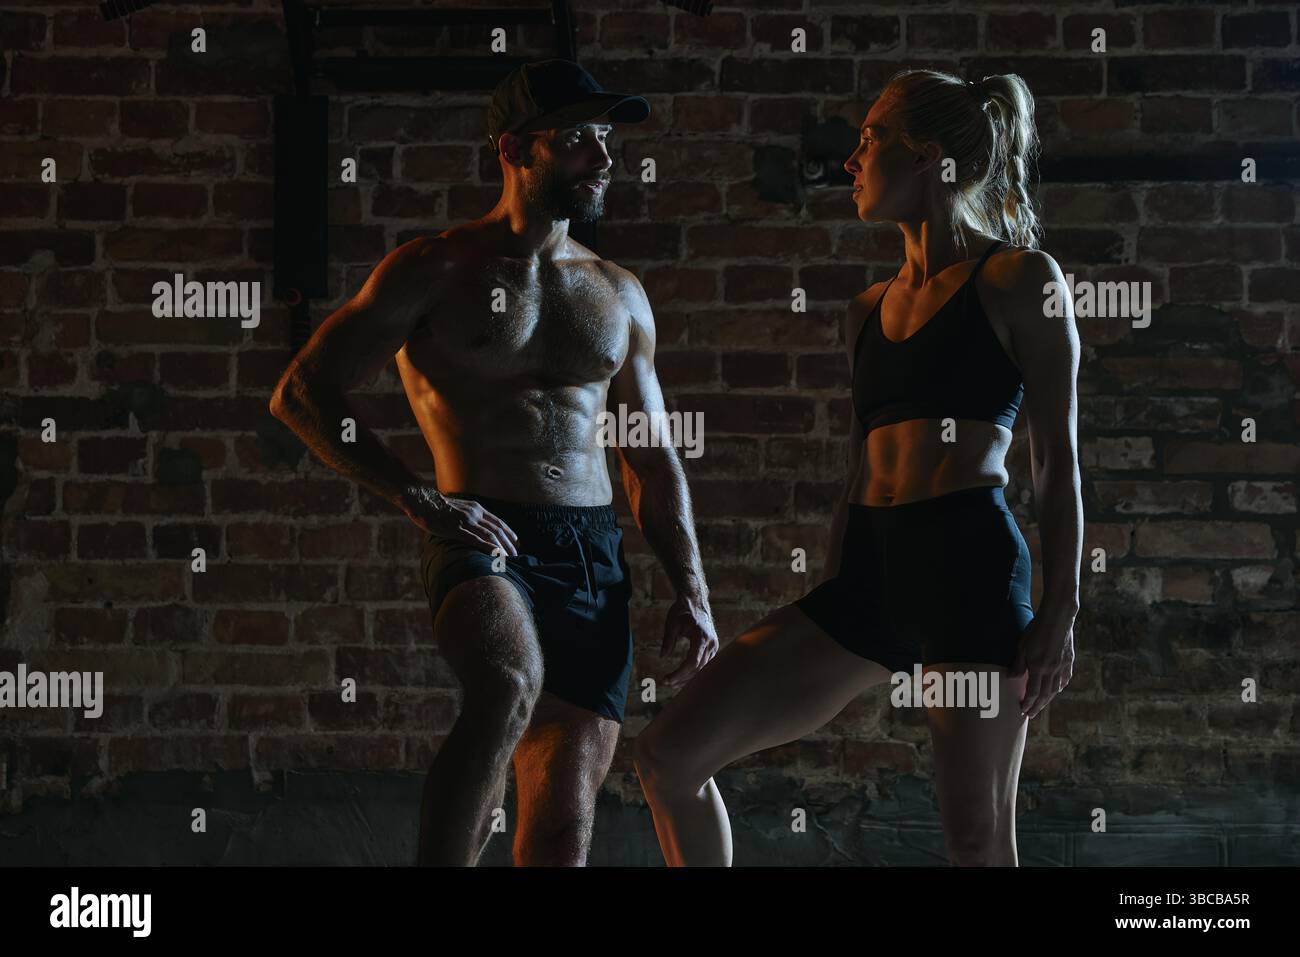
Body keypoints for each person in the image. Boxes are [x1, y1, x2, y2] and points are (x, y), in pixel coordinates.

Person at [269, 59, 719, 866]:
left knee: (561, 830)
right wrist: (416, 497)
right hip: (481, 532)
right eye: (579, 140)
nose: (604, 159)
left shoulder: (619, 292)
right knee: (510, 684)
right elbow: (303, 391)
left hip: (590, 551)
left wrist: (691, 587)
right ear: (515, 149)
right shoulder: (434, 268)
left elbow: (651, 458)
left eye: (608, 139)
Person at [632, 70, 1082, 866]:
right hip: (871, 571)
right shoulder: (866, 309)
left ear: (925, 157)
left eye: (869, 141)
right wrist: (835, 595)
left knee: (978, 842)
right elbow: (858, 466)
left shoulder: (1020, 279)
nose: (852, 162)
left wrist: (1060, 612)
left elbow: (1057, 461)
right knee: (668, 754)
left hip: (968, 571)